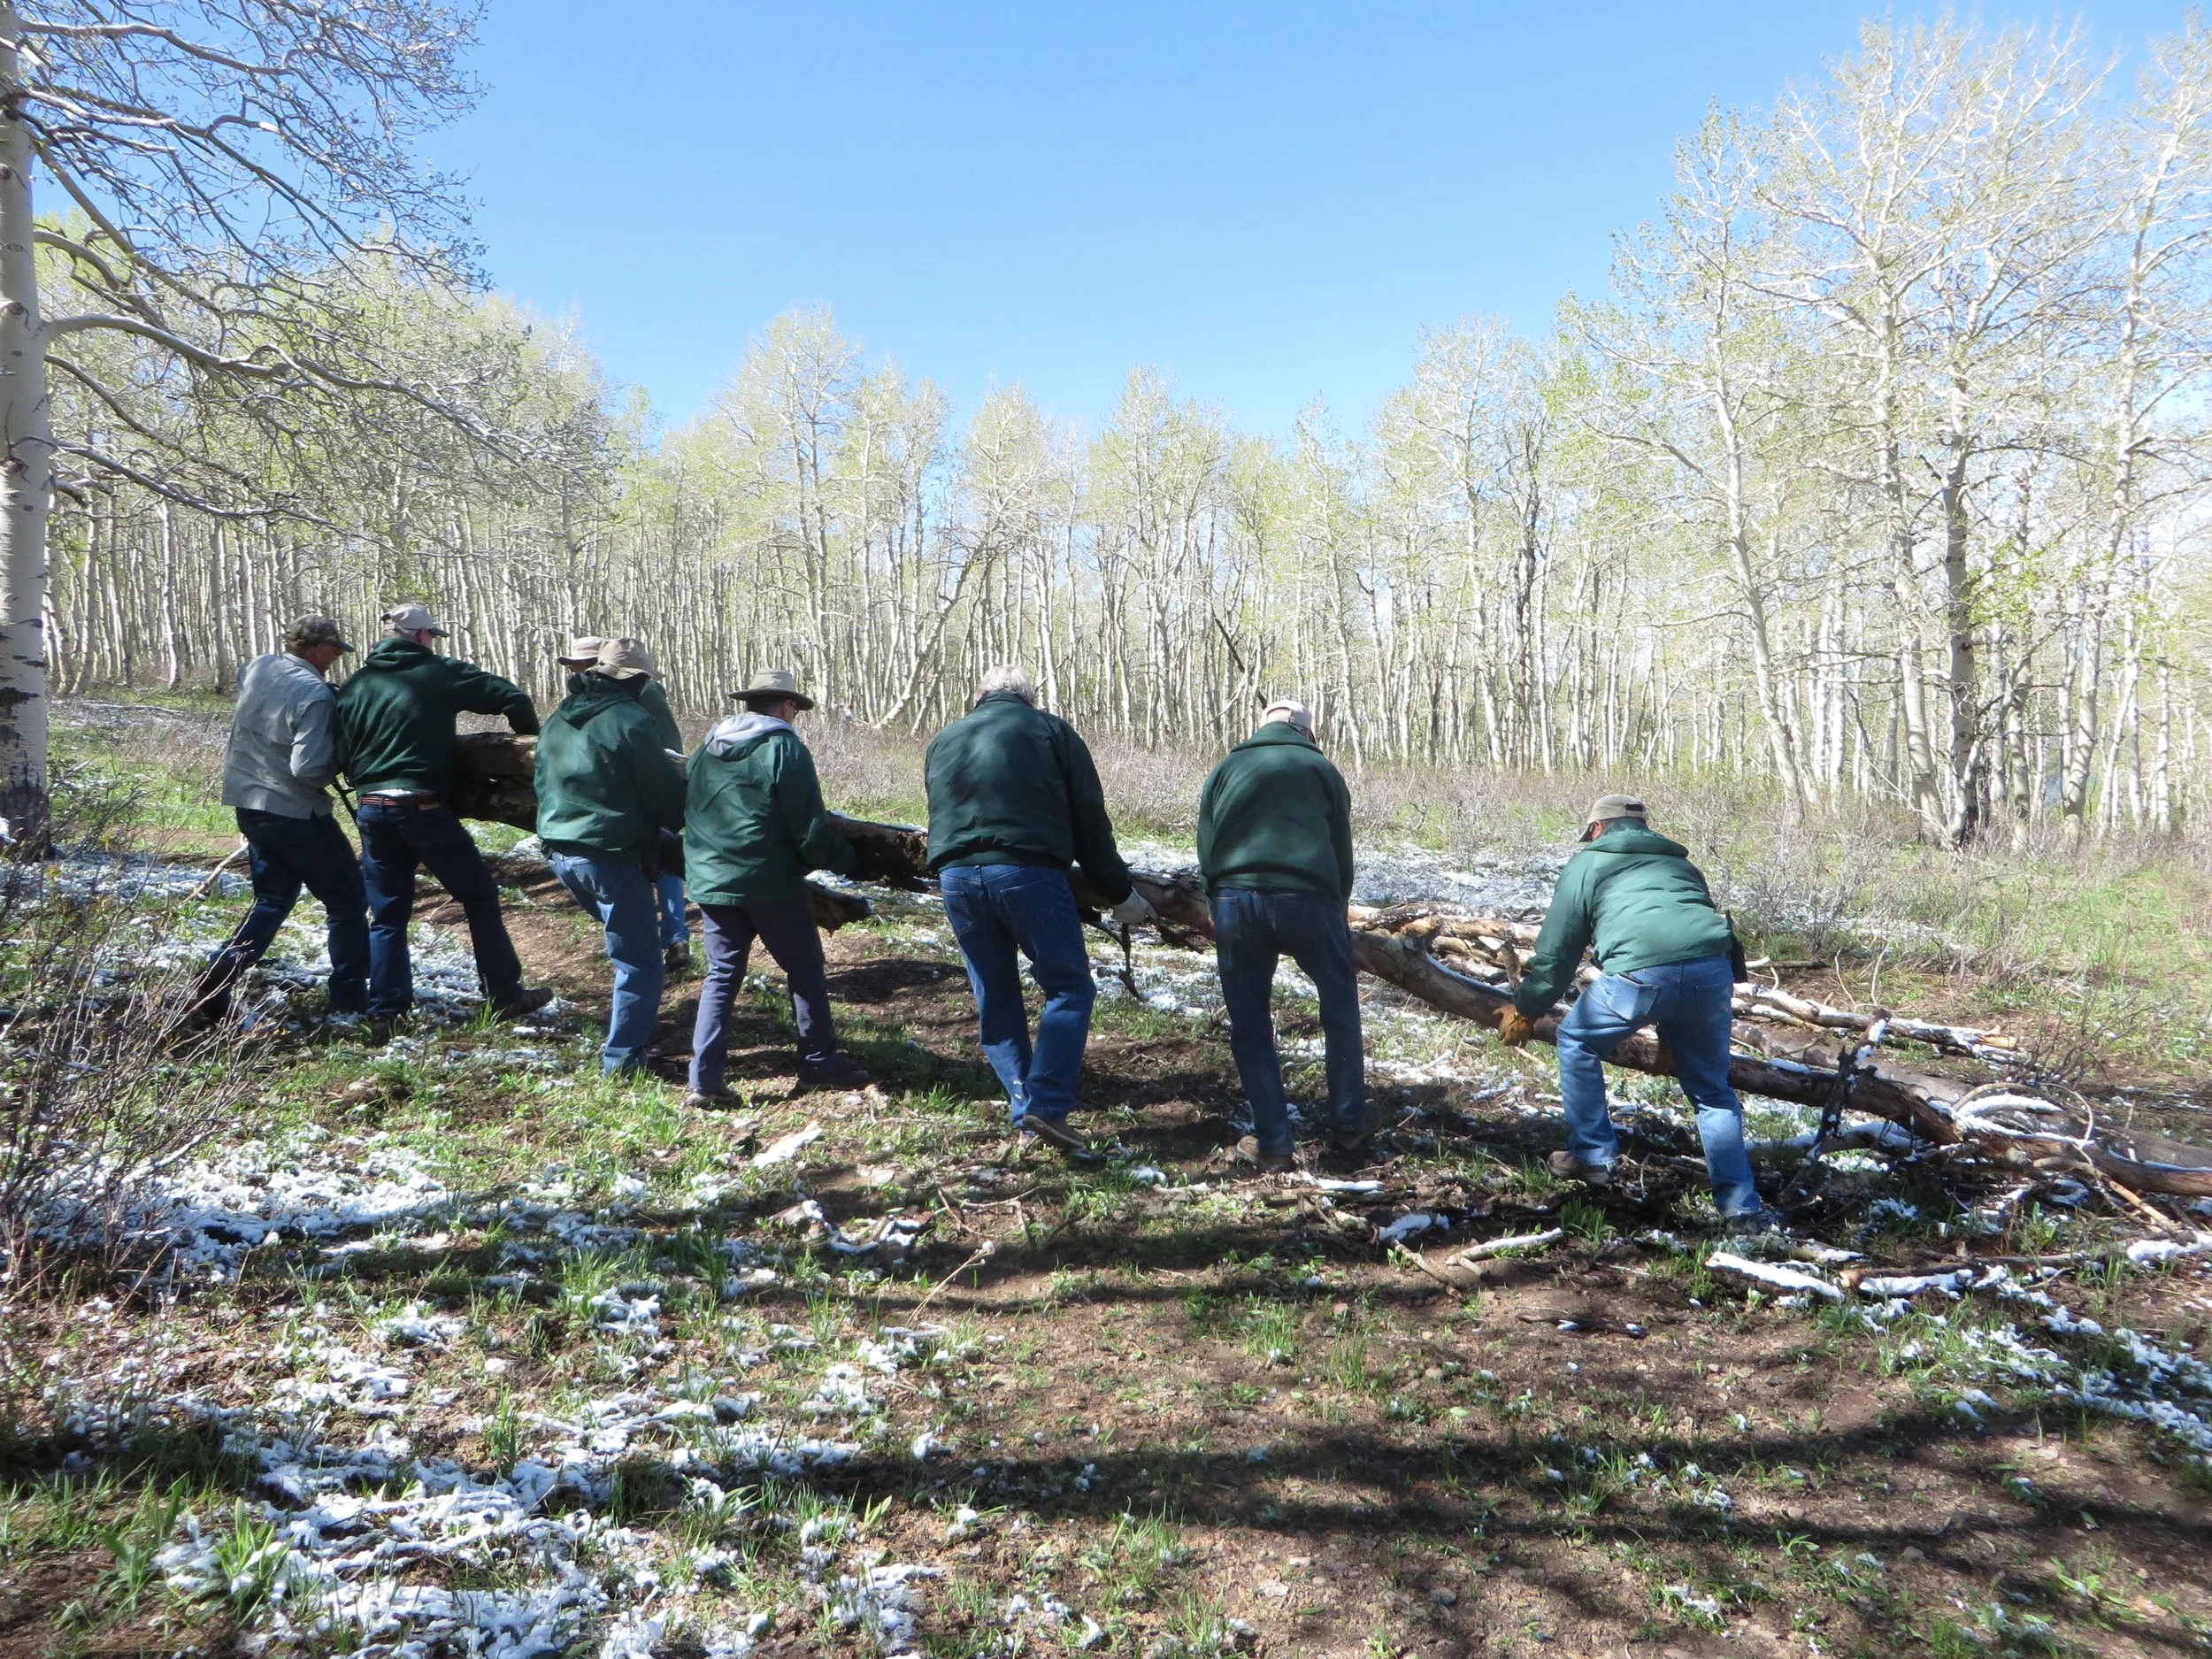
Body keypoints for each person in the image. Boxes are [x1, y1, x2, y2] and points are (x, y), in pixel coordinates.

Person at [1497, 792, 1771, 1226]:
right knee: (1712, 1091)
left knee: (1576, 1041)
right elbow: (1684, 935)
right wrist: (1673, 1031)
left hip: (1641, 977)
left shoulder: (1588, 864)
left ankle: (1592, 1155)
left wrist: (1527, 1007)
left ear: (1596, 829)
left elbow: (1558, 952)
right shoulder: (1681, 865)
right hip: (1712, 974)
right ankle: (1742, 1208)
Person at [924, 666, 1151, 1156]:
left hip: (956, 878)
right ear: (1026, 698)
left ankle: (1025, 1107)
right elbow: (1090, 818)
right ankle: (1045, 1108)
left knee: (995, 993)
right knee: (1068, 986)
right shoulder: (1051, 731)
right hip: (1027, 872)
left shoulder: (945, 738)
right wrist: (1120, 893)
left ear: (980, 697)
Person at [336, 603, 551, 1025]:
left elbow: (342, 750)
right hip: (423, 808)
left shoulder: (356, 685)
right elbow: (512, 696)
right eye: (431, 635)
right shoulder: (439, 672)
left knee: (388, 914)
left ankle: (386, 1010)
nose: (433, 641)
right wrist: (535, 752)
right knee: (479, 896)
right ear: (420, 636)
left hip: (372, 808)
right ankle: (504, 993)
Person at [685, 668, 870, 1105]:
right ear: (786, 707)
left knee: (722, 974)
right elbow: (810, 830)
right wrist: (850, 861)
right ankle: (820, 1063)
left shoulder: (706, 748)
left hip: (711, 883)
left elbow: (689, 810)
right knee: (804, 970)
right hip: (768, 883)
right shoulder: (784, 748)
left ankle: (703, 1082)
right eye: (795, 710)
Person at [1198, 700, 1367, 1171]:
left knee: (1250, 1023)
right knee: (1339, 1005)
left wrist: (1216, 901)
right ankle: (1349, 1128)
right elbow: (1340, 852)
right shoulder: (1320, 768)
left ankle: (1274, 1142)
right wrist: (1339, 914)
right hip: (1308, 900)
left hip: (1236, 899)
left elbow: (1206, 845)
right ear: (1308, 733)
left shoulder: (1228, 766)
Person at [196, 615, 370, 1019]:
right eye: (333, 650)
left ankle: (216, 982)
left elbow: (249, 679)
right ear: (314, 647)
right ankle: (350, 996)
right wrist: (341, 767)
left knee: (273, 899)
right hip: (294, 811)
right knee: (348, 900)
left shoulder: (259, 667)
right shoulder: (316, 694)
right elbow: (307, 768)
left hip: (249, 803)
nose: (336, 657)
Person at [535, 639, 688, 1075]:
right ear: (635, 681)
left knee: (627, 946)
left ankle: (633, 1030)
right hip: (609, 855)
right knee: (639, 961)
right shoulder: (631, 719)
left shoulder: (560, 715)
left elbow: (543, 781)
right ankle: (623, 1063)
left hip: (560, 850)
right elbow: (664, 794)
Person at [558, 634, 694, 977]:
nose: (576, 672)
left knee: (664, 859)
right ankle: (648, 938)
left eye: (581, 665)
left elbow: (657, 746)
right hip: (625, 785)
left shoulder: (637, 693)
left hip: (649, 778)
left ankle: (672, 938)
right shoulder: (590, 698)